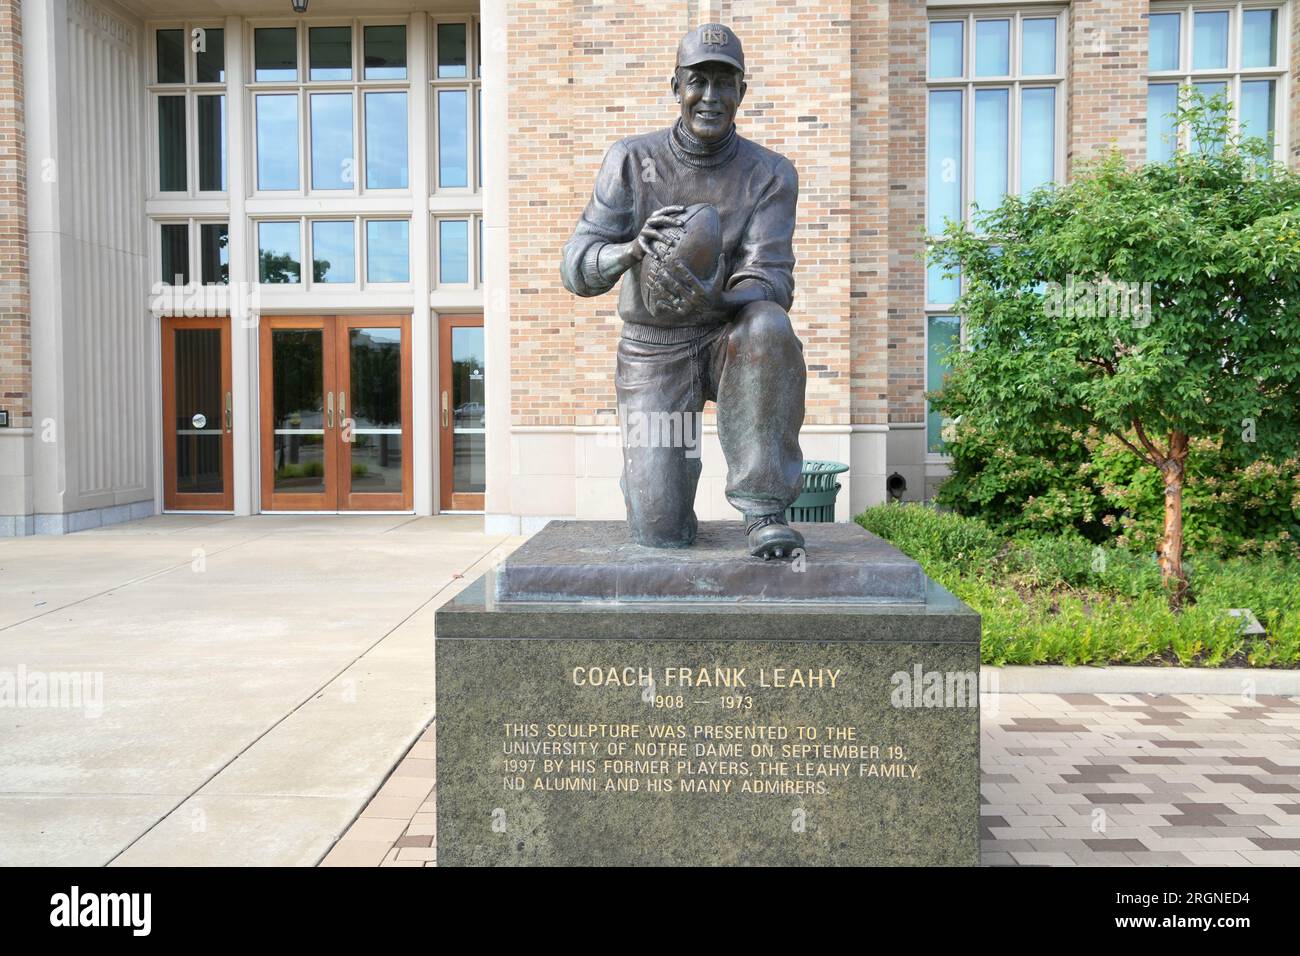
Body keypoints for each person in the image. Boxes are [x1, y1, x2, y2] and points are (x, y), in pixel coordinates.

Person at [561, 23, 807, 559]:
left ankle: (765, 509)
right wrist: (629, 252)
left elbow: (771, 278)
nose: (711, 97)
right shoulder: (630, 160)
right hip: (654, 349)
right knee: (661, 529)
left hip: (727, 335)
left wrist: (716, 300)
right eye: (698, 81)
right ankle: (653, 479)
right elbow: (576, 266)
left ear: (743, 90)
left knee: (767, 324)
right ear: (676, 87)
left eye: (726, 83)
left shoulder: (770, 174)